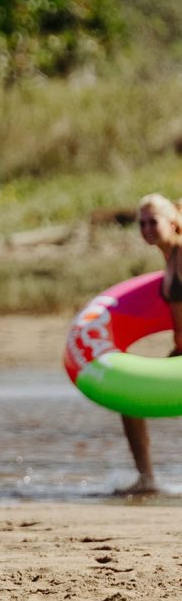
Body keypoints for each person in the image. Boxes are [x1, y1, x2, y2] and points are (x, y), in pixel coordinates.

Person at [118, 192, 182, 494]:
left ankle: (147, 479)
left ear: (172, 222)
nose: (146, 229)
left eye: (152, 222)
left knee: (129, 397)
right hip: (179, 353)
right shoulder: (170, 257)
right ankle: (147, 480)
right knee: (128, 396)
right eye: (141, 223)